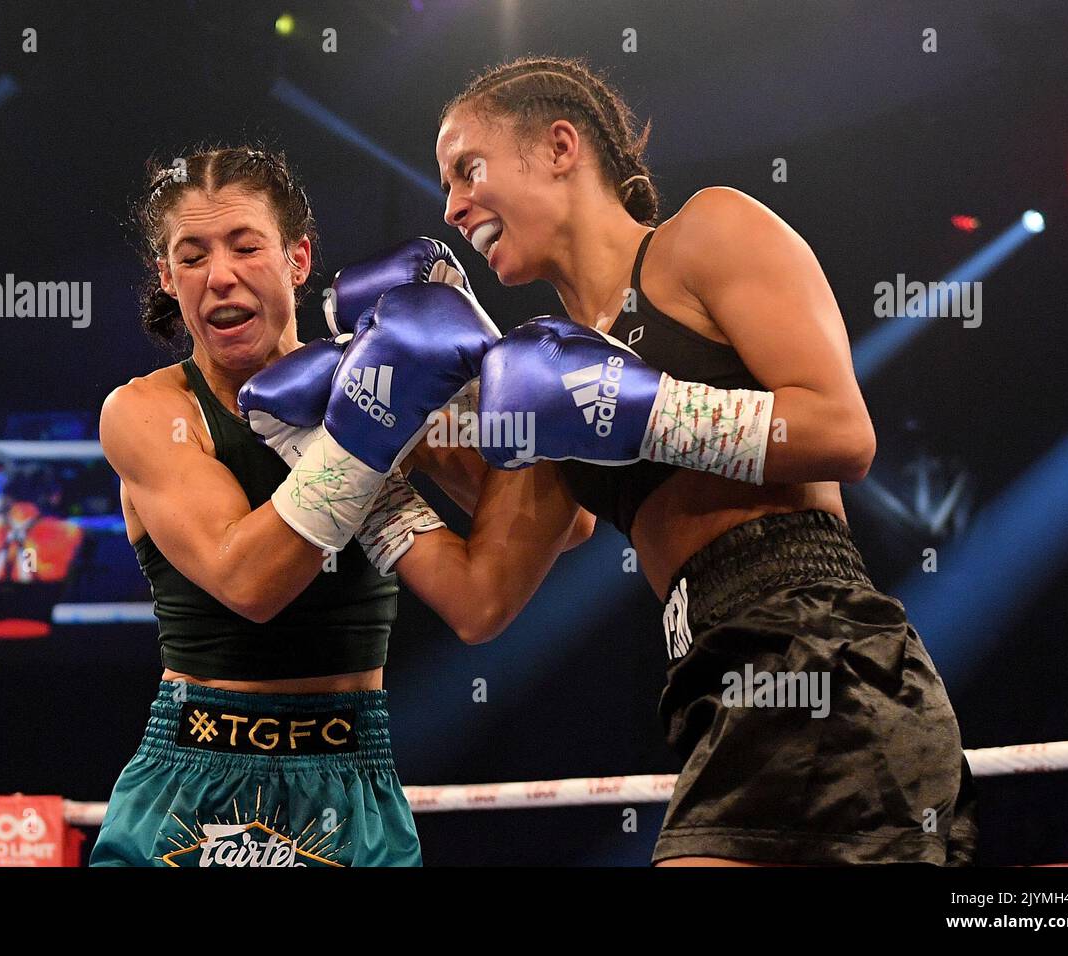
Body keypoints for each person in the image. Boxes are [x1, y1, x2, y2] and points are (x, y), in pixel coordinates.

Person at [417, 55, 979, 866]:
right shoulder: (540, 374)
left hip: (822, 651)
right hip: (710, 680)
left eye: (468, 168)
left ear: (560, 147)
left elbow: (842, 433)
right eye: (445, 185)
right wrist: (375, 457)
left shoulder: (705, 236)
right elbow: (481, 600)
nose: (453, 205)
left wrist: (648, 412)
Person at [89, 145, 510, 867]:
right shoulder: (148, 411)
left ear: (298, 258)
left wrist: (489, 375)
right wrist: (367, 429)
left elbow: (560, 531)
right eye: (191, 256)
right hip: (197, 776)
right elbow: (248, 582)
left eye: (246, 245)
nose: (219, 274)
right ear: (167, 277)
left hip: (354, 776)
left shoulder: (377, 375)